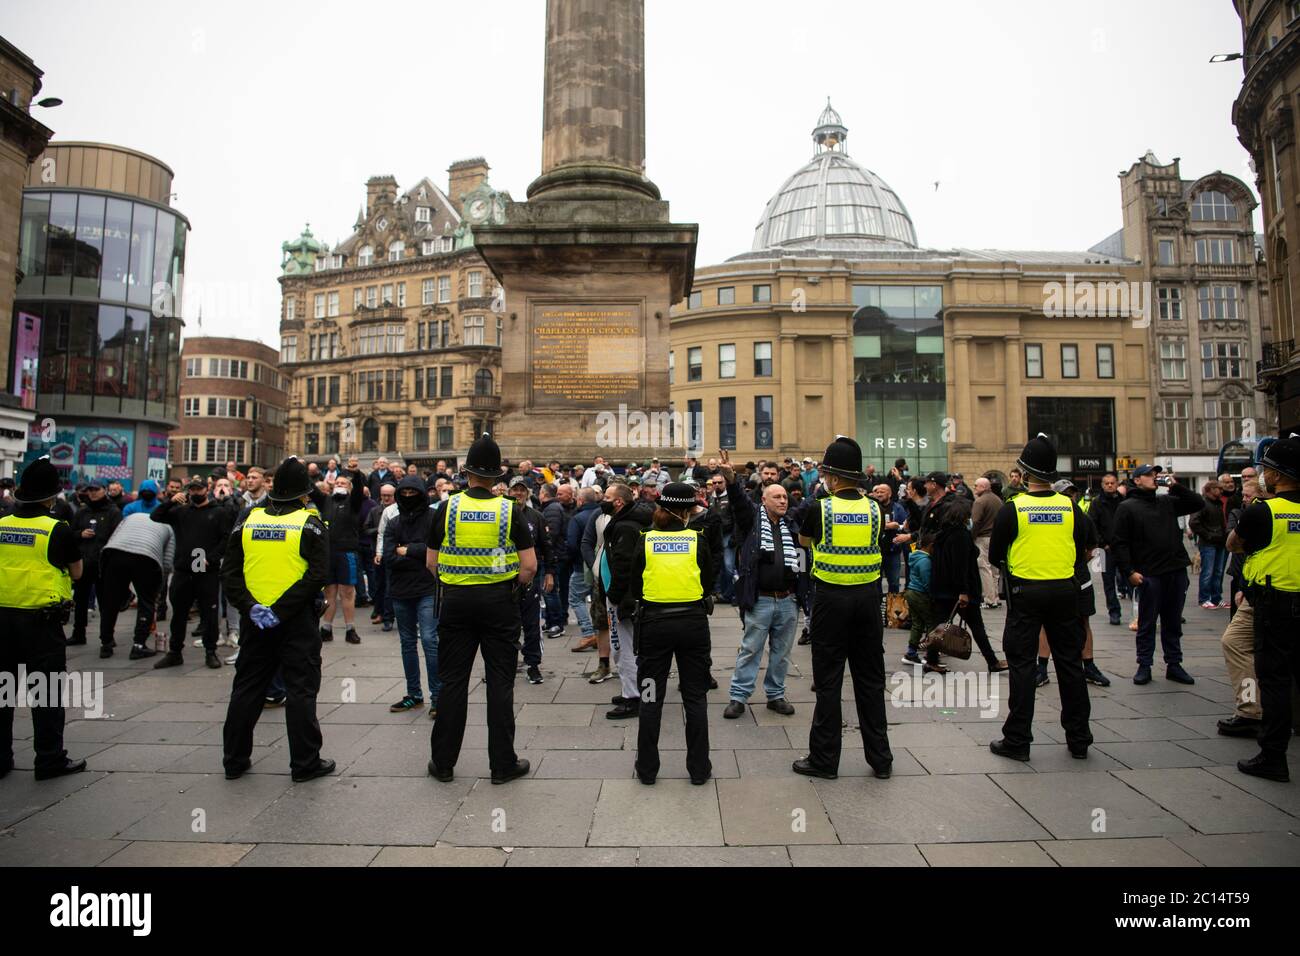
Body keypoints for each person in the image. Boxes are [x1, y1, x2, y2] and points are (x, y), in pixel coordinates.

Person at [426, 434, 536, 785]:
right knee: (501, 683)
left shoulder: (447, 507)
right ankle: (502, 765)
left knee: (452, 682)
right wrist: (508, 583)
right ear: (497, 477)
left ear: (467, 473)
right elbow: (529, 566)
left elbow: (431, 561)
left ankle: (443, 763)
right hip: (499, 605)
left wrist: (456, 577)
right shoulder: (510, 510)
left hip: (456, 603)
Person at [221, 457, 333, 782]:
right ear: (303, 493)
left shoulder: (248, 520)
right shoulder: (310, 524)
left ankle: (234, 759)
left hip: (255, 622)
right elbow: (317, 575)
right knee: (300, 689)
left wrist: (251, 606)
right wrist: (282, 609)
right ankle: (305, 762)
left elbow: (229, 571)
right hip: (296, 621)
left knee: (247, 688)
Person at [793, 436, 893, 780]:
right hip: (868, 600)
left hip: (831, 601)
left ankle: (824, 759)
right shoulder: (875, 509)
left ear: (833, 477)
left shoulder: (820, 508)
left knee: (829, 681)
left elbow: (805, 542)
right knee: (870, 680)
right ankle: (881, 759)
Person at [987, 434, 1092, 762]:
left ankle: (1018, 739)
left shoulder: (1013, 509)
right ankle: (1079, 738)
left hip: (1026, 593)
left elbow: (994, 555)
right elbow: (1088, 544)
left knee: (1022, 665)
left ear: (1026, 473)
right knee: (1071, 664)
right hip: (1064, 591)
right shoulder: (1070, 507)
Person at [0, 457, 87, 781]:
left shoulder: (1, 524)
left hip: (2, 620)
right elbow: (77, 572)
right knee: (46, 695)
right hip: (41, 623)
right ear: (51, 497)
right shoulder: (56, 529)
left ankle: (1, 757)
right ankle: (49, 759)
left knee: (2, 693)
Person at [628, 482, 714, 785]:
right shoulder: (698, 540)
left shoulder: (646, 539)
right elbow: (710, 581)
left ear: (661, 509)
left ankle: (648, 769)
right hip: (692, 625)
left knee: (650, 697)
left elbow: (635, 584)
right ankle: (699, 769)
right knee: (695, 697)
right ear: (688, 512)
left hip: (654, 627)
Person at [1227, 435, 1300, 781]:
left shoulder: (1263, 510)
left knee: (1274, 680)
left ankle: (1273, 754)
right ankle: (1249, 710)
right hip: (1284, 601)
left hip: (1273, 605)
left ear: (1278, 475)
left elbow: (1234, 543)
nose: (1262, 475)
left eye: (1266, 469)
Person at [725, 455, 805, 719]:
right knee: (750, 650)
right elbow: (738, 503)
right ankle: (738, 697)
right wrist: (732, 480)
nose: (783, 501)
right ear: (764, 500)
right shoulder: (752, 521)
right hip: (759, 600)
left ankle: (775, 695)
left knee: (782, 653)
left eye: (784, 497)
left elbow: (803, 556)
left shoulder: (792, 524)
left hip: (787, 600)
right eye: (777, 497)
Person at [1112, 464, 1204, 685]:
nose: (1154, 477)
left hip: (1174, 570)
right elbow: (1119, 543)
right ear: (1136, 480)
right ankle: (1144, 665)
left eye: (1155, 474)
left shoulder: (1167, 501)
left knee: (1173, 621)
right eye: (1148, 475)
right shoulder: (1127, 507)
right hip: (1148, 574)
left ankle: (1174, 664)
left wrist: (1175, 486)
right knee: (1147, 622)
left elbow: (1197, 502)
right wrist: (1129, 572)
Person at [151, 476, 234, 669]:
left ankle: (210, 651)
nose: (195, 493)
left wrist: (211, 558)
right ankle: (175, 652)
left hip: (206, 571)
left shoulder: (219, 513)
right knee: (179, 613)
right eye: (192, 490)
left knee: (209, 615)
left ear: (207, 489)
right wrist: (170, 500)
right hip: (183, 570)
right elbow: (155, 516)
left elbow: (226, 540)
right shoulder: (181, 512)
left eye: (199, 490)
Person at [384, 474, 441, 715]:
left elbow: (437, 551)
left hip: (427, 588)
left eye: (412, 493)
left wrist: (408, 550)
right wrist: (419, 553)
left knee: (429, 640)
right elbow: (388, 557)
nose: (408, 497)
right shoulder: (394, 523)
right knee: (407, 643)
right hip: (401, 590)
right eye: (404, 493)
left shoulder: (432, 519)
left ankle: (438, 696)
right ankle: (414, 694)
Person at [602, 481, 655, 718]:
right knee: (630, 647)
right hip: (627, 597)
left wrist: (614, 596)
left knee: (624, 648)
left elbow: (623, 566)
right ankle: (633, 691)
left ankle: (633, 697)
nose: (603, 499)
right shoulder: (629, 522)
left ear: (618, 502)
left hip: (622, 598)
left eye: (606, 496)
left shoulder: (624, 527)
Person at [97, 513, 174, 660]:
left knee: (110, 602)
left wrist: (104, 570)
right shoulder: (168, 527)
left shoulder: (131, 517)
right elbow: (167, 561)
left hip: (115, 554)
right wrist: (158, 589)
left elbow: (112, 539)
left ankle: (106, 644)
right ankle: (139, 645)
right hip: (146, 558)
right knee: (146, 602)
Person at [312, 468, 366, 644]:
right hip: (328, 553)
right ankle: (326, 628)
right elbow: (311, 489)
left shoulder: (353, 502)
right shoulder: (326, 501)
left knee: (347, 592)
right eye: (337, 482)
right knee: (329, 592)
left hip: (347, 553)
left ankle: (350, 629)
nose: (339, 485)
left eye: (343, 483)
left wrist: (356, 474)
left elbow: (359, 489)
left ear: (349, 487)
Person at [507, 476, 551, 685]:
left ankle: (533, 665)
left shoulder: (536, 517)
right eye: (514, 490)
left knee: (531, 623)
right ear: (508, 492)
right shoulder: (502, 515)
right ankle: (504, 665)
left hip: (532, 575)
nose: (518, 494)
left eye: (521, 490)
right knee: (506, 624)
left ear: (527, 493)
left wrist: (550, 572)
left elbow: (546, 546)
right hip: (506, 576)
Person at [67, 478, 121, 647]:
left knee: (106, 603)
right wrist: (80, 534)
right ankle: (78, 634)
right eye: (90, 490)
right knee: (81, 600)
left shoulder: (113, 511)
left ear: (104, 490)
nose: (92, 493)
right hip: (84, 563)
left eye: (96, 489)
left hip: (103, 564)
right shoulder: (83, 512)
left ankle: (107, 639)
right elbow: (70, 534)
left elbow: (118, 535)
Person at [1088, 472, 1129, 626]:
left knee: (1130, 579)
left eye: (1112, 483)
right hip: (1106, 550)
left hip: (1123, 547)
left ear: (1117, 484)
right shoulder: (1097, 503)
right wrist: (1102, 543)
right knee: (1108, 582)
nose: (1110, 485)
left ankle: (1137, 612)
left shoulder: (1124, 501)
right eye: (1107, 483)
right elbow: (1093, 525)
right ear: (1102, 485)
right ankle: (1114, 612)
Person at [566, 487, 602, 652]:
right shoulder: (602, 515)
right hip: (600, 565)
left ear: (580, 500)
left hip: (582, 566)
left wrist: (574, 560)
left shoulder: (578, 518)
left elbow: (572, 545)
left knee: (575, 598)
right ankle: (597, 634)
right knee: (596, 599)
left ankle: (588, 633)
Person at [1188, 479, 1229, 610]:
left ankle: (1216, 598)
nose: (1221, 491)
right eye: (1219, 489)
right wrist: (1208, 535)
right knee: (1208, 571)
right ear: (1210, 490)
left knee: (1217, 572)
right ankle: (1205, 598)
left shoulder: (1216, 503)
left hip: (1218, 542)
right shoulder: (1204, 504)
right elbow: (1194, 522)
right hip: (1209, 543)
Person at [362, 484, 396, 631]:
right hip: (377, 552)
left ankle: (388, 615)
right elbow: (366, 529)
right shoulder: (375, 511)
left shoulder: (397, 511)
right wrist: (381, 529)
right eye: (384, 495)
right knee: (379, 584)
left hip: (393, 553)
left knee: (390, 586)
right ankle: (380, 612)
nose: (386, 498)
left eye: (389, 495)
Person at [872, 483, 909, 594]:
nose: (879, 494)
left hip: (893, 551)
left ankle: (892, 608)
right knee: (875, 583)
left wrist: (897, 525)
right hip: (875, 552)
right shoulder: (872, 507)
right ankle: (877, 608)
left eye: (882, 492)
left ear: (890, 494)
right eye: (877, 492)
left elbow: (905, 526)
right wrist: (885, 526)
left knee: (894, 582)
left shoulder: (897, 507)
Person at [971, 476, 1002, 608]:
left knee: (984, 568)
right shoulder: (997, 500)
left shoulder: (980, 501)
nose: (974, 488)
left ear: (983, 487)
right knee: (994, 570)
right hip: (996, 538)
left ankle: (989, 600)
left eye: (976, 486)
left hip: (983, 538)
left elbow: (976, 521)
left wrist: (971, 537)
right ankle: (995, 597)